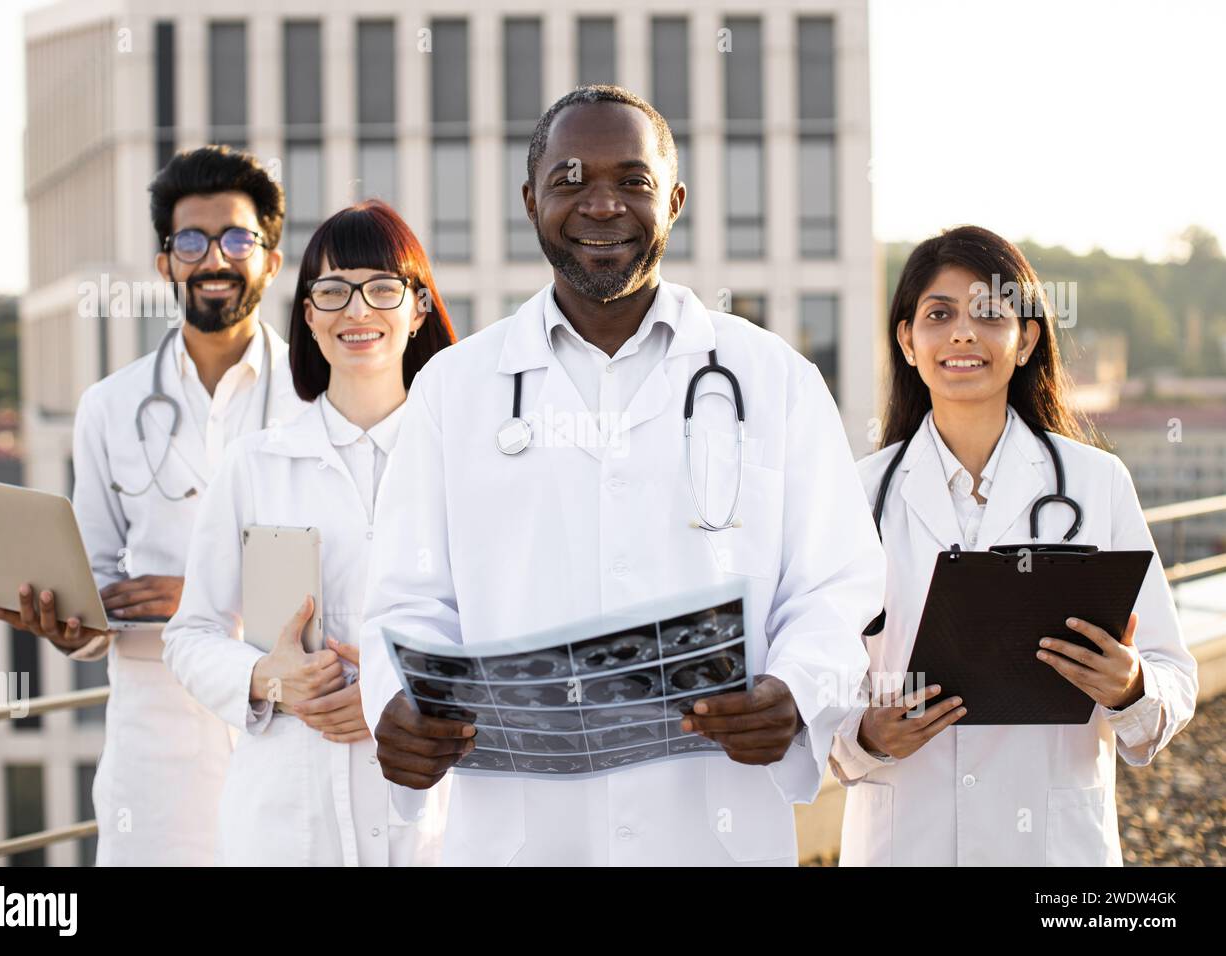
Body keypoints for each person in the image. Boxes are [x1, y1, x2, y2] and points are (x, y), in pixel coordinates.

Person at [358, 85, 886, 866]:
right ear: (530, 198)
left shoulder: (774, 378)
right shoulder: (454, 387)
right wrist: (398, 707)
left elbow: (836, 584)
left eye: (632, 181)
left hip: (714, 826)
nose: (601, 204)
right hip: (520, 832)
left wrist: (798, 689)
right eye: (570, 179)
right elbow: (407, 594)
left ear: (673, 201)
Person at [0, 146, 308, 865]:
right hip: (158, 757)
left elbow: (353, 578)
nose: (213, 258)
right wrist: (68, 625)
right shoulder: (110, 407)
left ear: (272, 260)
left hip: (292, 736)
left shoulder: (316, 400)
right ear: (166, 263)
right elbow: (97, 589)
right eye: (191, 240)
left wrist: (207, 601)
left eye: (237, 239)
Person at [830, 225, 1198, 866]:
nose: (963, 333)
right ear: (907, 342)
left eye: (990, 315)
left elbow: (1173, 677)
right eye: (938, 314)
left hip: (1053, 850)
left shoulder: (1095, 484)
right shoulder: (856, 497)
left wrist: (1131, 686)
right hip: (907, 841)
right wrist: (863, 735)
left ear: (1025, 339)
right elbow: (813, 683)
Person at [163, 201, 457, 865]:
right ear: (308, 316)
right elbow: (191, 634)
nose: (357, 311)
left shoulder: (463, 464)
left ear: (418, 310)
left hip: (431, 817)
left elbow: (498, 631)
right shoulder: (254, 463)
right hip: (283, 823)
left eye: (383, 289)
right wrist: (269, 677)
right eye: (332, 291)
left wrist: (398, 694)